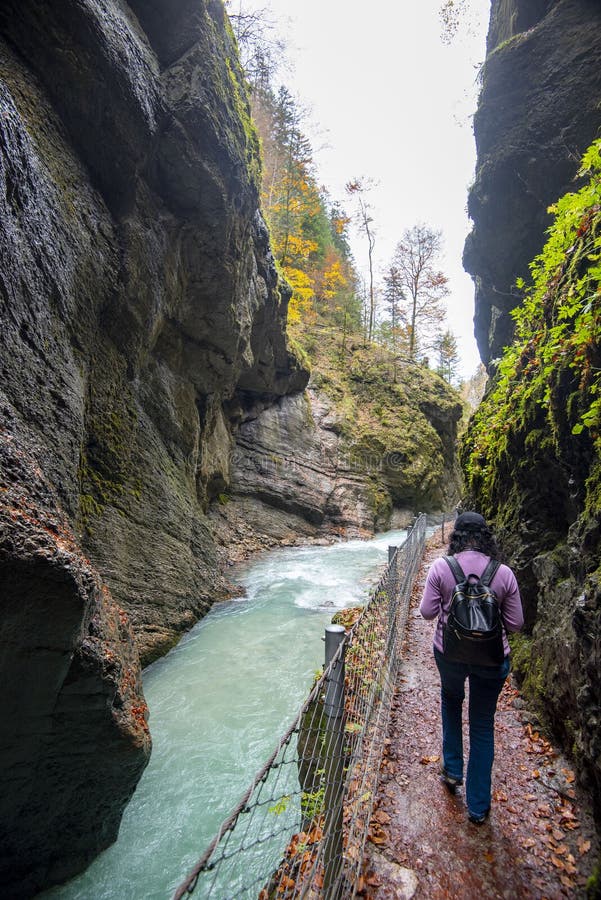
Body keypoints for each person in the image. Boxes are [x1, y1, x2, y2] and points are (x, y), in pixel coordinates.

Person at [419, 511, 524, 824]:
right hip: (491, 658)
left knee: (451, 701)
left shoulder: (442, 567)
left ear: (457, 536)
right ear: (486, 537)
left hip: (449, 654)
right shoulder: (503, 573)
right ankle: (478, 807)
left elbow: (426, 612)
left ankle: (452, 770)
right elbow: (515, 624)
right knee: (482, 724)